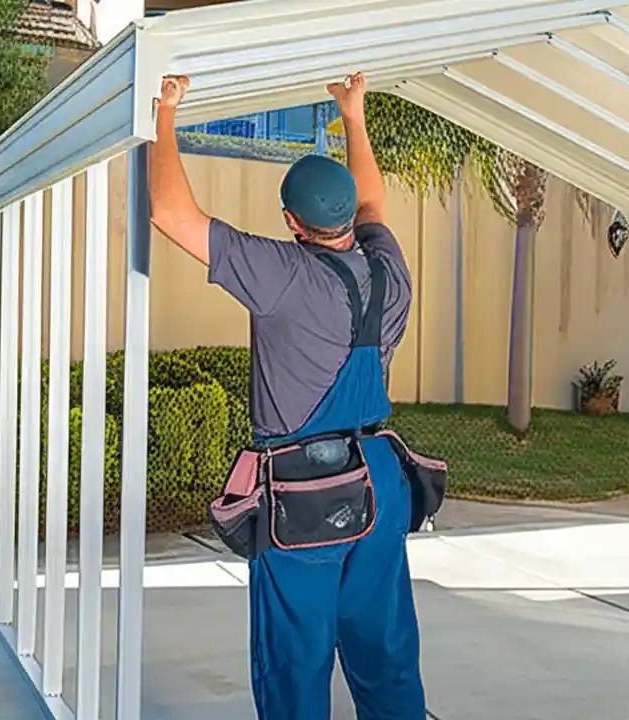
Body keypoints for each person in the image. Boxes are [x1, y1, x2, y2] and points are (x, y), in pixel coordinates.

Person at [149, 72, 427, 719]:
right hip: (383, 482)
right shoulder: (389, 269)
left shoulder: (282, 275)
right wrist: (353, 115)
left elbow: (170, 214)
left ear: (291, 222)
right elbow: (376, 207)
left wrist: (164, 113)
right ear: (347, 219)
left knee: (295, 663)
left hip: (307, 495)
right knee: (384, 653)